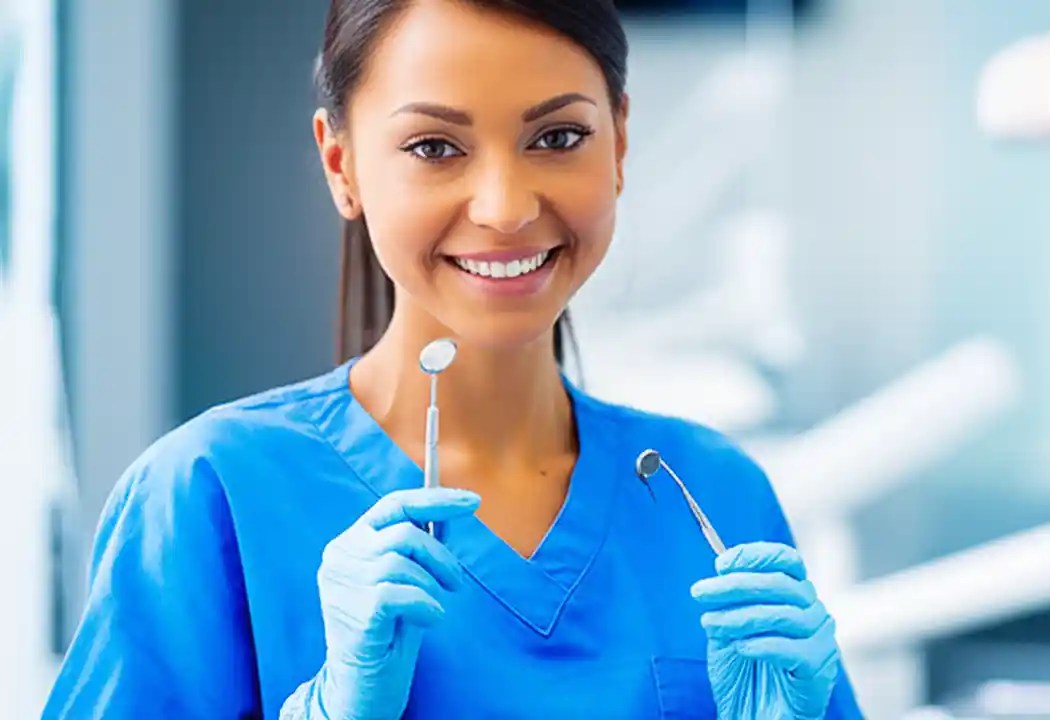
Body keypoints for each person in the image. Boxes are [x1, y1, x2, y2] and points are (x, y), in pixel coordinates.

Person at [42, 1, 863, 717]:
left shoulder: (715, 494)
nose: (505, 208)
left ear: (618, 145)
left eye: (559, 136)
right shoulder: (209, 497)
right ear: (343, 163)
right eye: (435, 147)